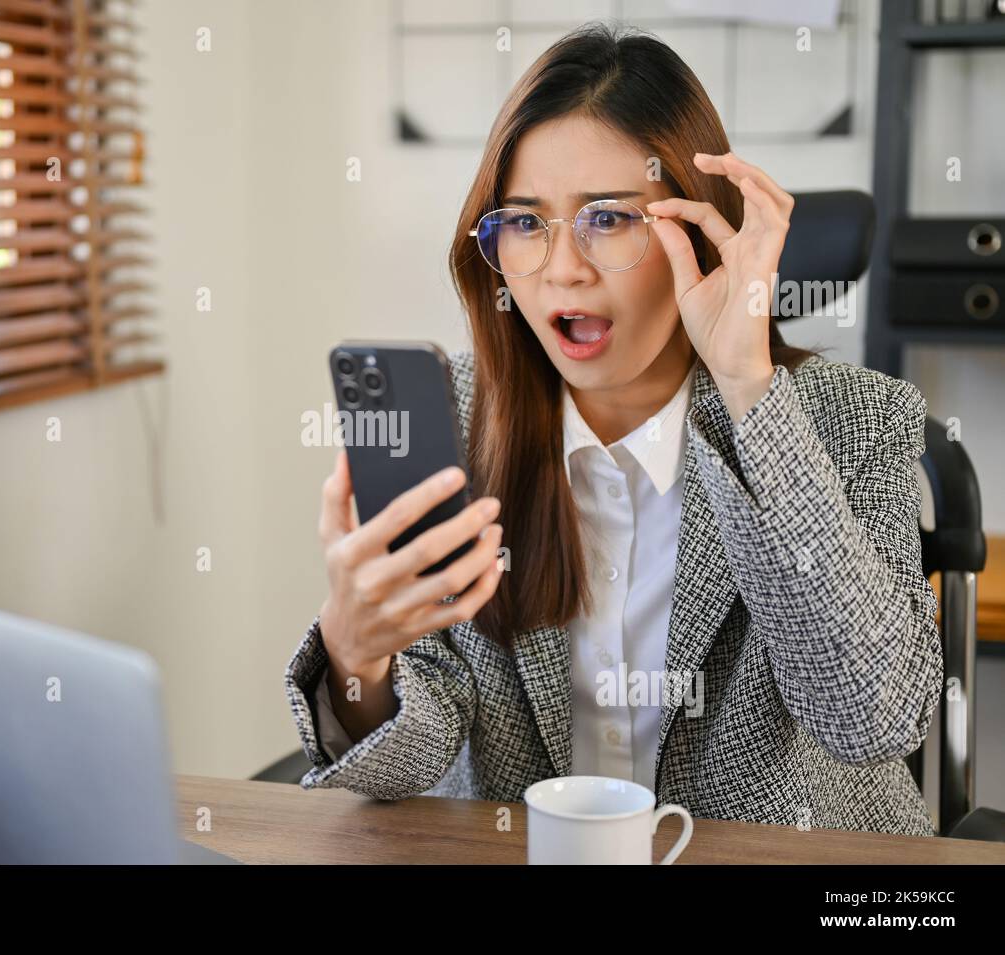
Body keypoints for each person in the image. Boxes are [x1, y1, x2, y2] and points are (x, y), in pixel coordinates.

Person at [282, 22, 940, 835]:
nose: (563, 268)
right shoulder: (451, 418)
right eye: (524, 223)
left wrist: (747, 387)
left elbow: (871, 719)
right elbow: (411, 761)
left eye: (609, 218)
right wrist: (357, 658)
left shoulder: (854, 421)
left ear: (700, 229)